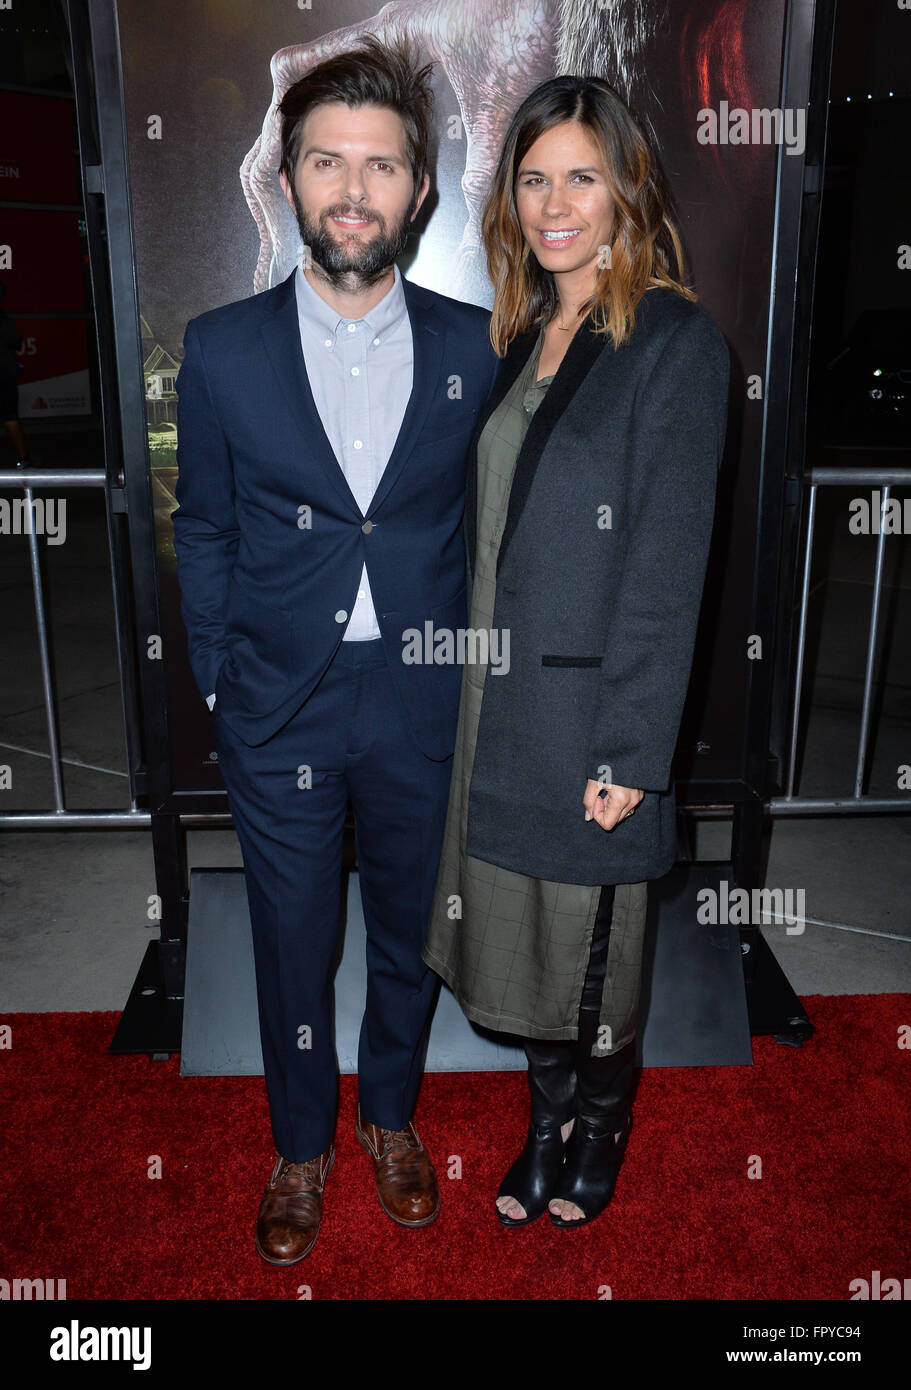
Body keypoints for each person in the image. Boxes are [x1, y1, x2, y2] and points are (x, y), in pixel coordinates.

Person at [172, 35, 498, 1265]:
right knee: (292, 935)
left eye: (380, 165)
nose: (353, 189)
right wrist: (218, 674)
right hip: (278, 704)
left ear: (419, 190)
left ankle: (396, 1119)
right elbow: (201, 526)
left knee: (413, 927)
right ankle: (302, 1142)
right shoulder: (221, 347)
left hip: (420, 695)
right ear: (290, 178)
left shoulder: (477, 344)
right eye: (327, 161)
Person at [422, 75, 730, 1228]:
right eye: (535, 177)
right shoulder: (519, 333)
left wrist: (631, 750)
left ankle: (599, 1126)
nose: (555, 204)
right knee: (517, 943)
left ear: (625, 190)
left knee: (591, 944)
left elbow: (665, 567)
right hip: (494, 709)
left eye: (581, 178)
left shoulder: (674, 343)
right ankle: (542, 1120)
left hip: (591, 719)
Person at [0, 282, 28, 462]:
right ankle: (24, 460)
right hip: (2, 373)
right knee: (9, 416)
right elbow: (15, 340)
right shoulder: (0, 318)